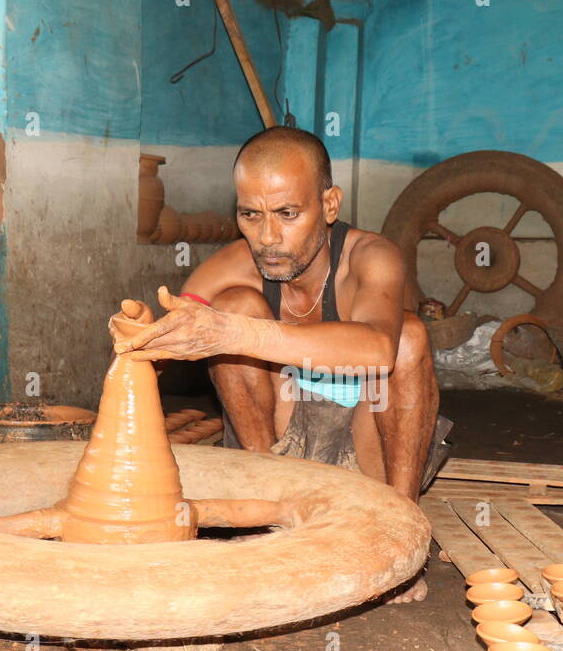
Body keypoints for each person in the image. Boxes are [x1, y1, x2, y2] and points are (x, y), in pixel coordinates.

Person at [113, 126, 447, 602]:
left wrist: (237, 334)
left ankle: (398, 535)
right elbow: (164, 342)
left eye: (288, 214)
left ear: (329, 205)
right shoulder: (231, 267)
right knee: (231, 307)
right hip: (277, 456)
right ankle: (265, 516)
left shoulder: (372, 258)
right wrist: (141, 339)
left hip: (368, 454)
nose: (268, 237)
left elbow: (377, 348)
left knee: (409, 335)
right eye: (251, 215)